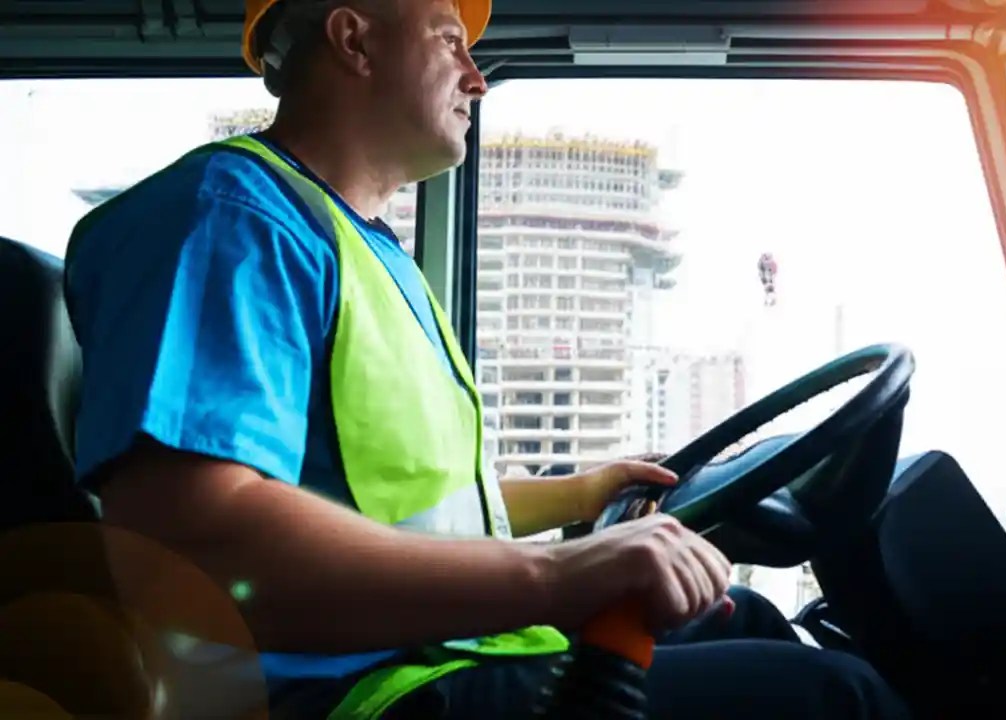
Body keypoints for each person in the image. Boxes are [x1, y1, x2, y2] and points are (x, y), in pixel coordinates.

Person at [62, 0, 912, 717]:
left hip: (442, 647)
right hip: (366, 690)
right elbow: (194, 545)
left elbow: (400, 507)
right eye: (448, 41)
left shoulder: (369, 250)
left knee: (750, 621)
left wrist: (588, 494)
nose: (477, 77)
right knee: (837, 693)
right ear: (353, 40)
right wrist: (553, 572)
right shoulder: (233, 217)